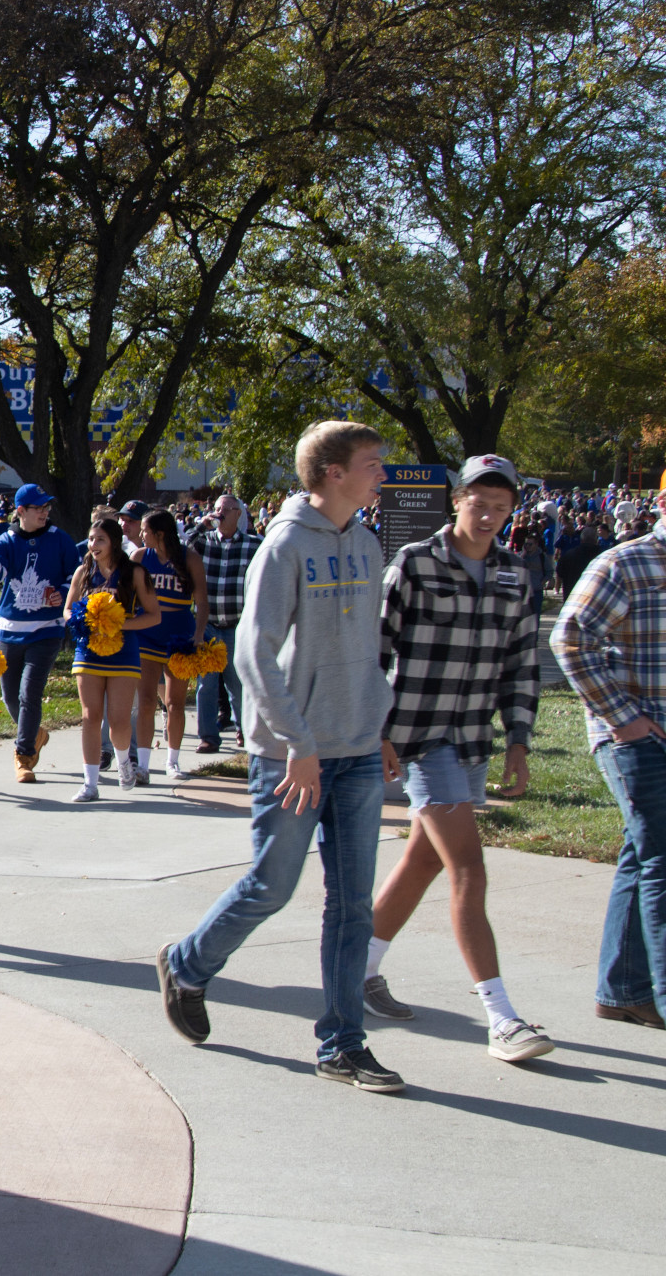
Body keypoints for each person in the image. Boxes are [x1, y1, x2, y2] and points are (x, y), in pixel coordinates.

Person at [158, 421, 405, 1092]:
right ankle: (187, 963)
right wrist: (298, 743)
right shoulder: (286, 544)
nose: (382, 472)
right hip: (294, 754)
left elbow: (365, 648)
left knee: (354, 905)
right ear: (332, 472)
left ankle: (343, 1044)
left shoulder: (364, 539)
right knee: (273, 884)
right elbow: (251, 652)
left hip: (356, 750)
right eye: (371, 463)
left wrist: (378, 720)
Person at [363, 455, 550, 1062]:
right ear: (457, 499)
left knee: (424, 861)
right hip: (420, 736)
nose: (490, 513)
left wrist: (518, 739)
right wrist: (381, 729)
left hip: (472, 738)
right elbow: (375, 647)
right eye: (480, 500)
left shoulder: (515, 576)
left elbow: (523, 664)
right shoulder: (415, 564)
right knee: (469, 866)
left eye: (502, 504)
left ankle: (354, 970)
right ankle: (502, 1018)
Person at [551, 484, 666, 1032]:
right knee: (663, 859)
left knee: (643, 856)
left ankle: (622, 990)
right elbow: (570, 639)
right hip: (635, 737)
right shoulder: (627, 563)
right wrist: (625, 719)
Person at [0, 484, 79, 783]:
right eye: (38, 508)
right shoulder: (6, 541)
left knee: (29, 692)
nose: (45, 512)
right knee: (10, 696)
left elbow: (75, 577)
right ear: (20, 512)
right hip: (11, 631)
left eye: (47, 507)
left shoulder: (60, 539)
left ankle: (23, 756)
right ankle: (35, 733)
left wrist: (61, 593)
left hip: (47, 629)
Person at [67, 517, 163, 801]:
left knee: (119, 721)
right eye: (91, 539)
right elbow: (68, 609)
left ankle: (123, 763)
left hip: (124, 650)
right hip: (89, 650)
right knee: (90, 716)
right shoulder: (83, 572)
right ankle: (90, 784)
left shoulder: (133, 573)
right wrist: (82, 620)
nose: (93, 545)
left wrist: (119, 623)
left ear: (114, 543)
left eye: (100, 540)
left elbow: (154, 615)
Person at [132, 510, 210, 783]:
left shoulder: (190, 559)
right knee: (145, 702)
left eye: (145, 530)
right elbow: (127, 596)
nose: (141, 535)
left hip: (180, 638)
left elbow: (201, 601)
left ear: (160, 533)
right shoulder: (140, 558)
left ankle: (172, 761)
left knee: (175, 703)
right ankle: (142, 766)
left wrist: (198, 634)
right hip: (147, 636)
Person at [189, 494, 261, 755]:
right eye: (216, 509)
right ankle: (209, 737)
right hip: (208, 625)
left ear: (238, 514)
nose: (219, 514)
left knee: (238, 684)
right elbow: (177, 547)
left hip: (238, 625)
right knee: (206, 684)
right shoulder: (203, 543)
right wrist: (200, 526)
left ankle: (244, 729)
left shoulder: (253, 545)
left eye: (225, 510)